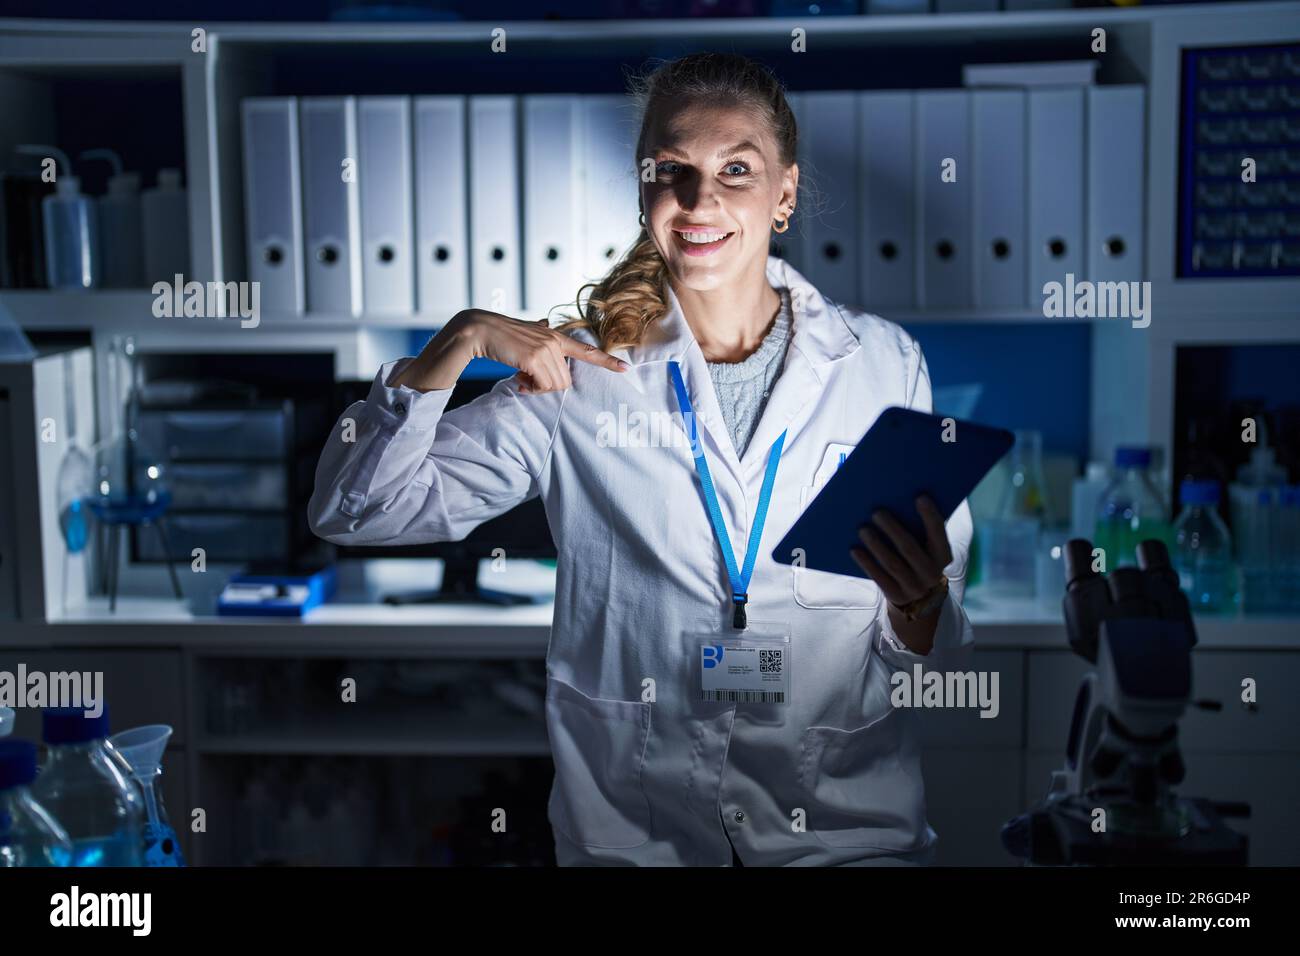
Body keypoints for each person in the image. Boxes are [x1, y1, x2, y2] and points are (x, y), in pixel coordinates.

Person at [308, 52, 974, 866]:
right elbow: (355, 510)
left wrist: (917, 610)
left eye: (737, 169)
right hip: (638, 834)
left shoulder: (881, 364)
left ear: (785, 193)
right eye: (674, 170)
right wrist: (458, 341)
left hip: (841, 833)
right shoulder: (578, 376)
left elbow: (934, 641)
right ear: (643, 188)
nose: (701, 200)